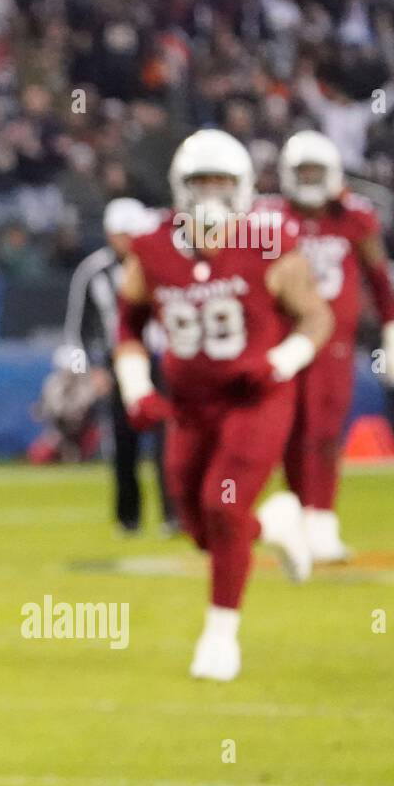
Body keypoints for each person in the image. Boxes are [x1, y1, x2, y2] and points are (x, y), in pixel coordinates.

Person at [114, 129, 334, 682]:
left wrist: (281, 361)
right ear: (179, 187)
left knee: (222, 503)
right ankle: (276, 524)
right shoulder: (154, 247)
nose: (210, 192)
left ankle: (220, 635)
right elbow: (129, 328)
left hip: (256, 398)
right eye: (200, 181)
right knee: (198, 524)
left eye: (221, 181)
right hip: (190, 406)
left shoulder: (269, 241)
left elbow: (317, 317)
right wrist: (137, 387)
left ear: (242, 188)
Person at [264, 131, 394, 562]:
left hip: (334, 344)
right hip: (285, 339)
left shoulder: (354, 218)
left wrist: (393, 330)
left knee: (326, 431)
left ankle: (322, 521)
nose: (309, 179)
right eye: (302, 171)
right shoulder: (268, 218)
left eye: (315, 171)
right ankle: (300, 517)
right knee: (290, 432)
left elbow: (380, 279)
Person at [64, 197, 176, 534]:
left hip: (160, 359)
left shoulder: (162, 263)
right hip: (118, 364)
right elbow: (77, 330)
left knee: (168, 442)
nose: (126, 242)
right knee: (123, 446)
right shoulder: (93, 271)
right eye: (120, 234)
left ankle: (175, 515)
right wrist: (89, 372)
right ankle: (129, 519)